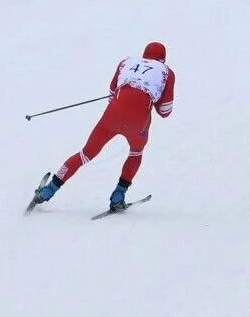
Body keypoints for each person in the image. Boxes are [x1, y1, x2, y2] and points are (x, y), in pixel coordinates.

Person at [32, 42, 175, 211]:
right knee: (136, 153)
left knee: (85, 153)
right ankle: (118, 196)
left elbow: (112, 91)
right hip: (139, 121)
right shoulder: (167, 72)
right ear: (163, 59)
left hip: (112, 115)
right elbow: (165, 111)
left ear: (143, 55)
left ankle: (48, 191)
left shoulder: (126, 61)